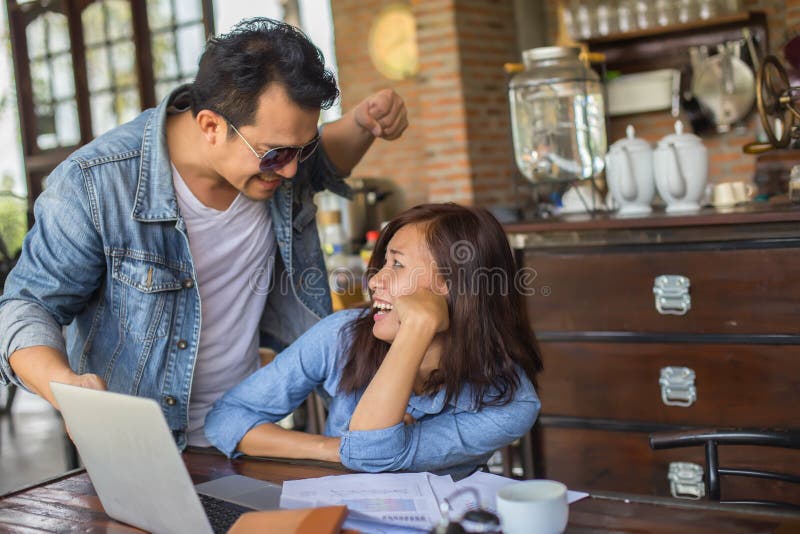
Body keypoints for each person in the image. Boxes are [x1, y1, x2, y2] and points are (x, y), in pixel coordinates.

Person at [0, 17, 408, 448]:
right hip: (142, 447)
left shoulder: (272, 156)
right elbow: (27, 305)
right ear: (211, 126)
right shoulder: (94, 184)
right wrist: (63, 386)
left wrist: (364, 124)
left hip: (250, 434)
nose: (291, 170)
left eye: (300, 150)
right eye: (276, 155)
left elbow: (323, 158)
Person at [205, 203, 543, 476]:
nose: (375, 280)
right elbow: (226, 419)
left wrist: (418, 328)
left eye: (397, 265)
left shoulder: (509, 404)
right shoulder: (342, 334)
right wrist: (331, 448)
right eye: (382, 262)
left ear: (455, 287)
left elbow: (369, 452)